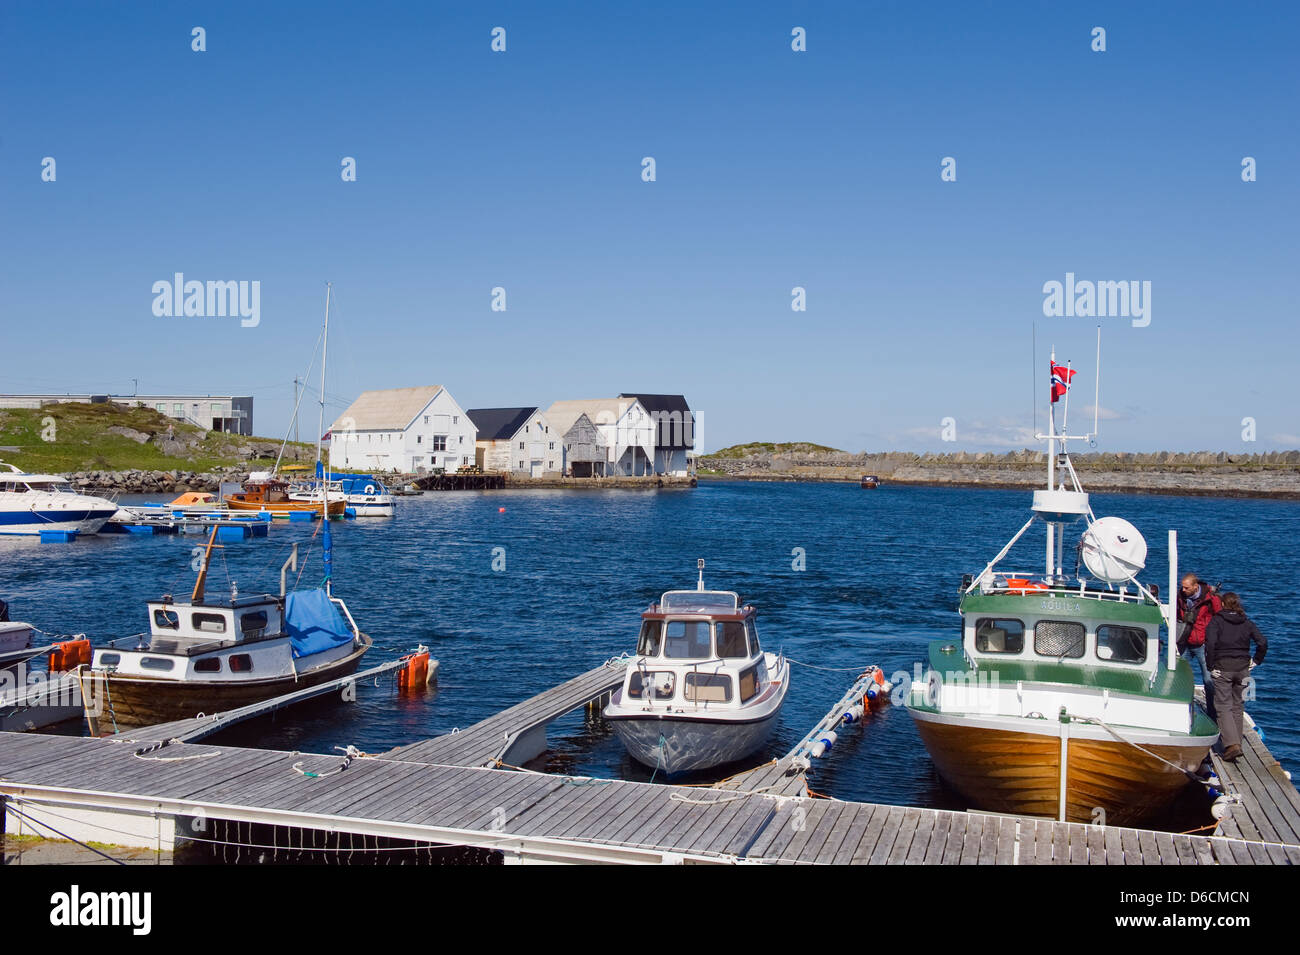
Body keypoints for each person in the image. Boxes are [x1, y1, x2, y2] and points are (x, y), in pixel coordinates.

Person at [1204, 593, 1267, 761]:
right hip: (1243, 668)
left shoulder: (1216, 621)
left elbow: (1210, 643)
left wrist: (1210, 666)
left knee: (1223, 706)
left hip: (1223, 667)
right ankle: (1237, 742)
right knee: (1238, 706)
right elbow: (1262, 642)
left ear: (1223, 604)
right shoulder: (1246, 622)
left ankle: (1232, 745)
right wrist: (1256, 661)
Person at [1176, 573, 1222, 720]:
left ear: (1195, 587)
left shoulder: (1210, 599)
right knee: (1181, 677)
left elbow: (1219, 617)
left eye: (1186, 587)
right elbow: (1177, 613)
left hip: (1202, 643)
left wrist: (1212, 638)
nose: (1183, 590)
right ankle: (1182, 710)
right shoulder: (1180, 596)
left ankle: (1212, 714)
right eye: (1182, 587)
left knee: (1208, 680)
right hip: (1185, 641)